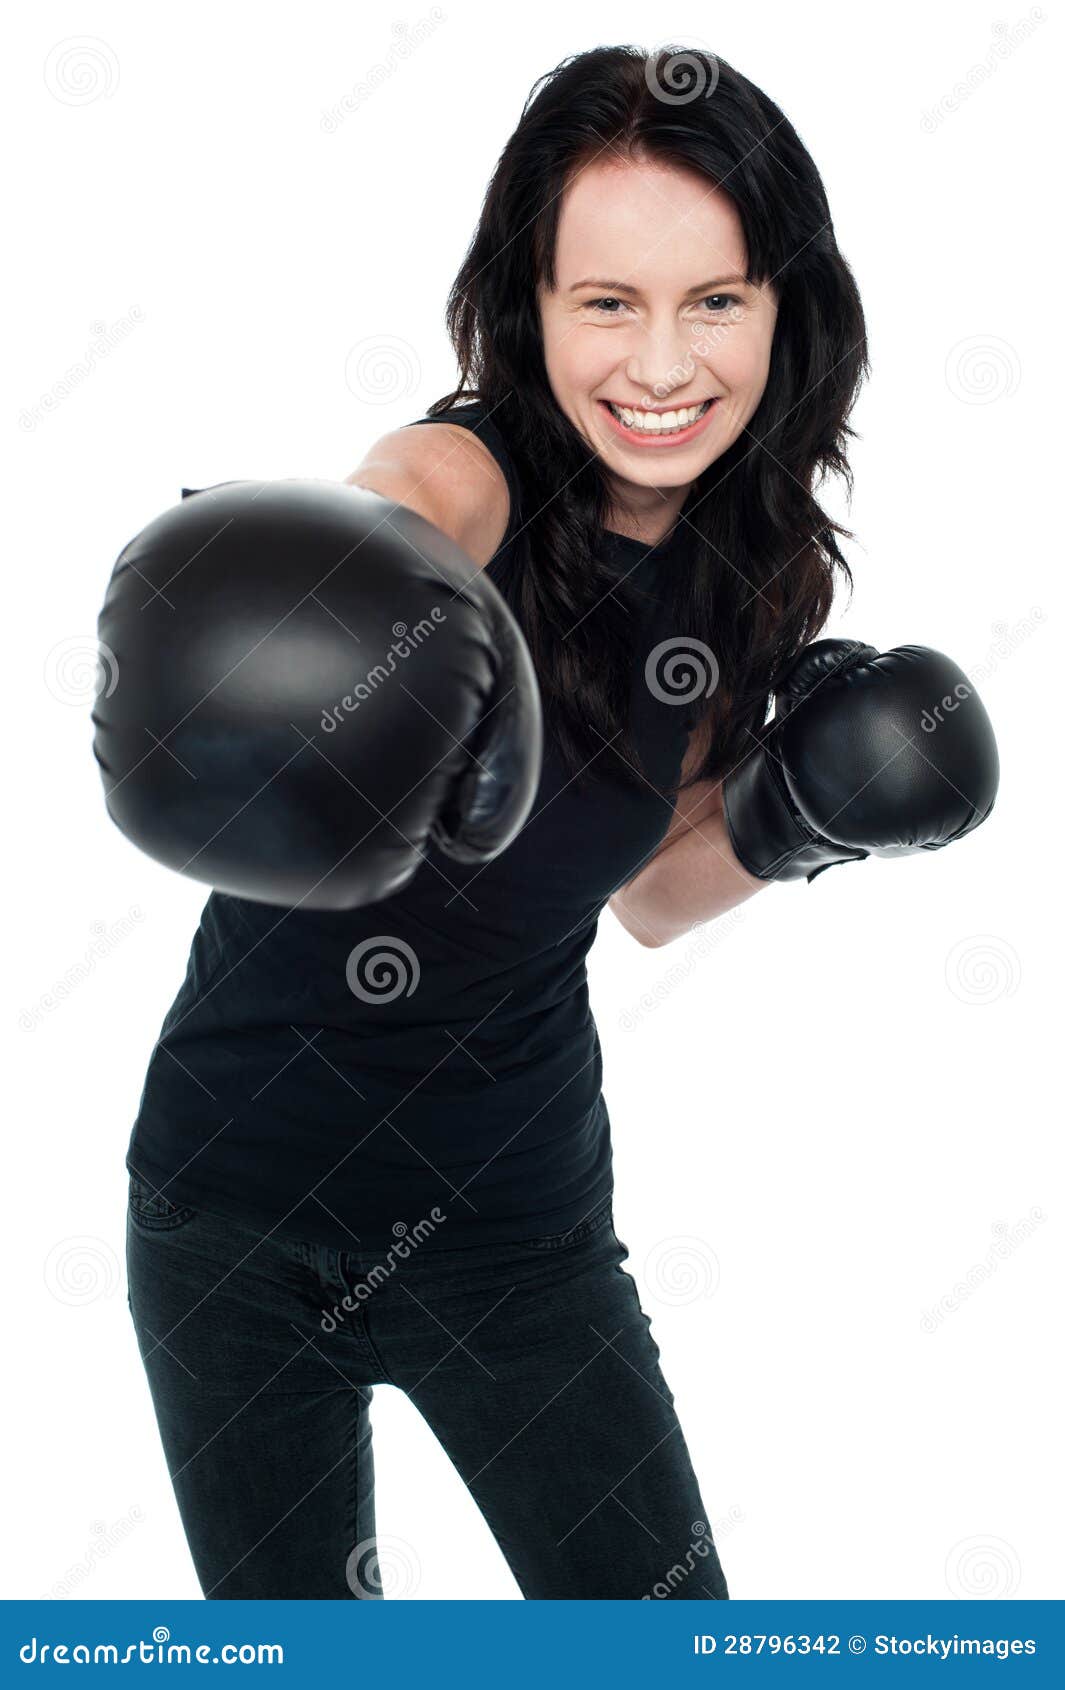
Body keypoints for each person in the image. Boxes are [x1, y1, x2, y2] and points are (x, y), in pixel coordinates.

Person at [95, 45, 997, 1600]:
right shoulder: (469, 475)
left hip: (511, 1233)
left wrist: (795, 821)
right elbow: (407, 495)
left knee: (660, 1642)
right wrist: (356, 575)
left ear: (788, 310)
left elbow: (648, 891)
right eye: (606, 302)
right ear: (533, 306)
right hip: (224, 1213)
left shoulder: (754, 573)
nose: (660, 363)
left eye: (712, 300)